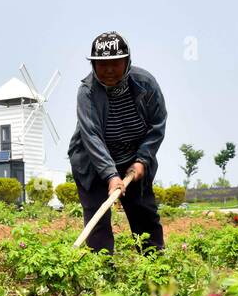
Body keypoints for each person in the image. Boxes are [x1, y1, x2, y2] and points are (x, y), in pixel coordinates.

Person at [68, 31, 167, 253]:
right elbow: (91, 136)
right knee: (97, 220)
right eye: (102, 64)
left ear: (127, 61)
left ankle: (156, 269)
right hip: (92, 163)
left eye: (115, 63)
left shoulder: (146, 85)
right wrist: (111, 175)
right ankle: (103, 274)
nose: (109, 70)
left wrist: (142, 160)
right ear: (93, 65)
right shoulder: (87, 92)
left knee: (144, 214)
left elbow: (157, 125)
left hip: (133, 158)